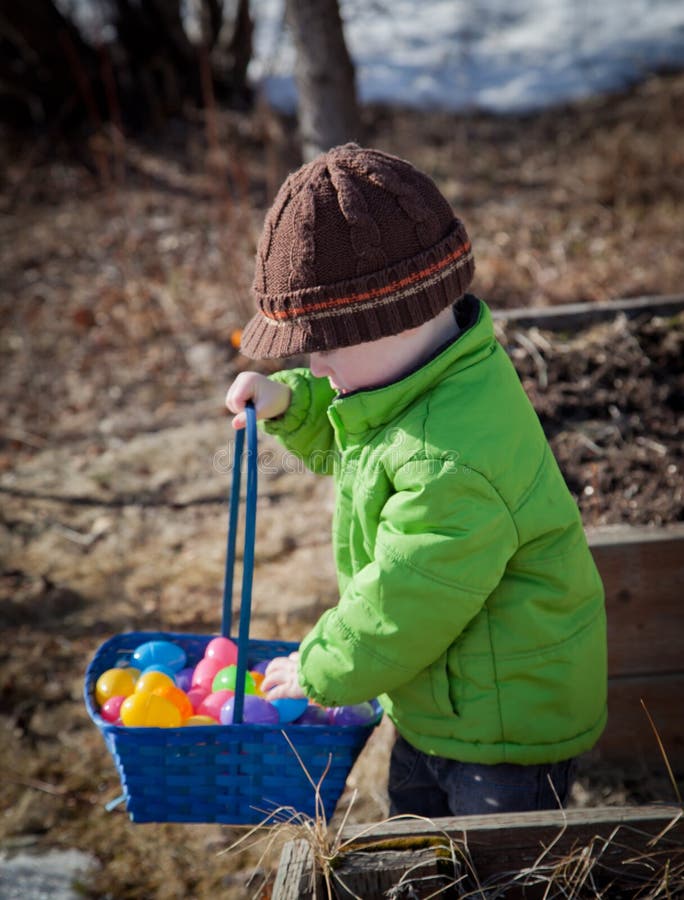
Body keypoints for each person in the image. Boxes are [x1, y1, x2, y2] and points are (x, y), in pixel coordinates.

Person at [225, 143, 607, 818]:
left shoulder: (448, 462)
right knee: (420, 845)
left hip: (506, 728)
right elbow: (358, 438)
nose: (315, 365)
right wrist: (290, 401)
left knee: (499, 869)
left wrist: (319, 668)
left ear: (384, 319)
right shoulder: (431, 379)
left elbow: (405, 601)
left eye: (322, 345)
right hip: (450, 700)